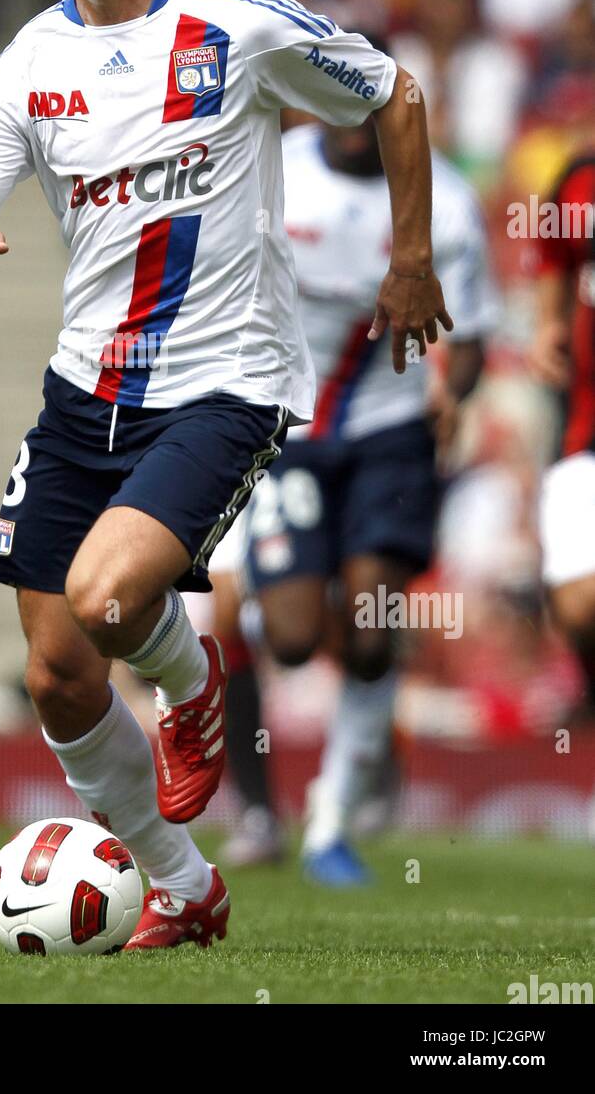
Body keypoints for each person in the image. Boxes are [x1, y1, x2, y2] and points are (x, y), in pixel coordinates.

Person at [0, 0, 452, 949]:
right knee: (58, 671)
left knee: (110, 602)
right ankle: (187, 887)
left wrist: (412, 260)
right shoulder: (30, 62)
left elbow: (394, 94)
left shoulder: (233, 32)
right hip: (82, 394)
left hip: (224, 383)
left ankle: (194, 679)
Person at [202, 96, 498, 884]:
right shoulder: (273, 177)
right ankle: (263, 805)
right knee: (291, 637)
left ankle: (329, 822)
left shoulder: (444, 204)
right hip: (284, 435)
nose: (350, 122)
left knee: (369, 625)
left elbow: (467, 335)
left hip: (388, 436)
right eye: (338, 103)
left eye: (368, 111)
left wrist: (453, 394)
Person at [532, 151, 595, 717]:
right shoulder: (578, 181)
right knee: (576, 603)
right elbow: (553, 254)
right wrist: (549, 322)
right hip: (585, 424)